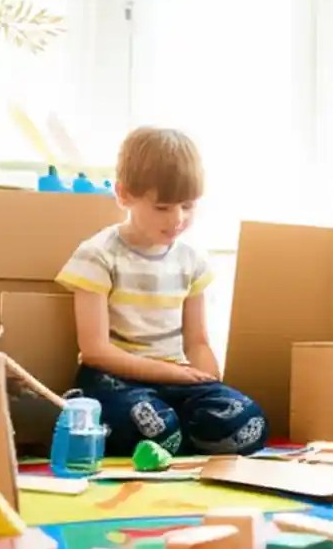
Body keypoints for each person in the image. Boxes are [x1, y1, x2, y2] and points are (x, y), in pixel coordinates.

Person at [57, 127, 267, 457]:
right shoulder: (98, 254)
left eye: (188, 206)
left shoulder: (191, 261)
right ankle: (169, 432)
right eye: (163, 207)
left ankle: (177, 433)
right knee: (152, 425)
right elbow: (95, 350)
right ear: (124, 195)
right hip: (115, 380)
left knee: (246, 420)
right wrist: (173, 373)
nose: (177, 219)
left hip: (175, 380)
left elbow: (197, 342)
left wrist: (210, 383)